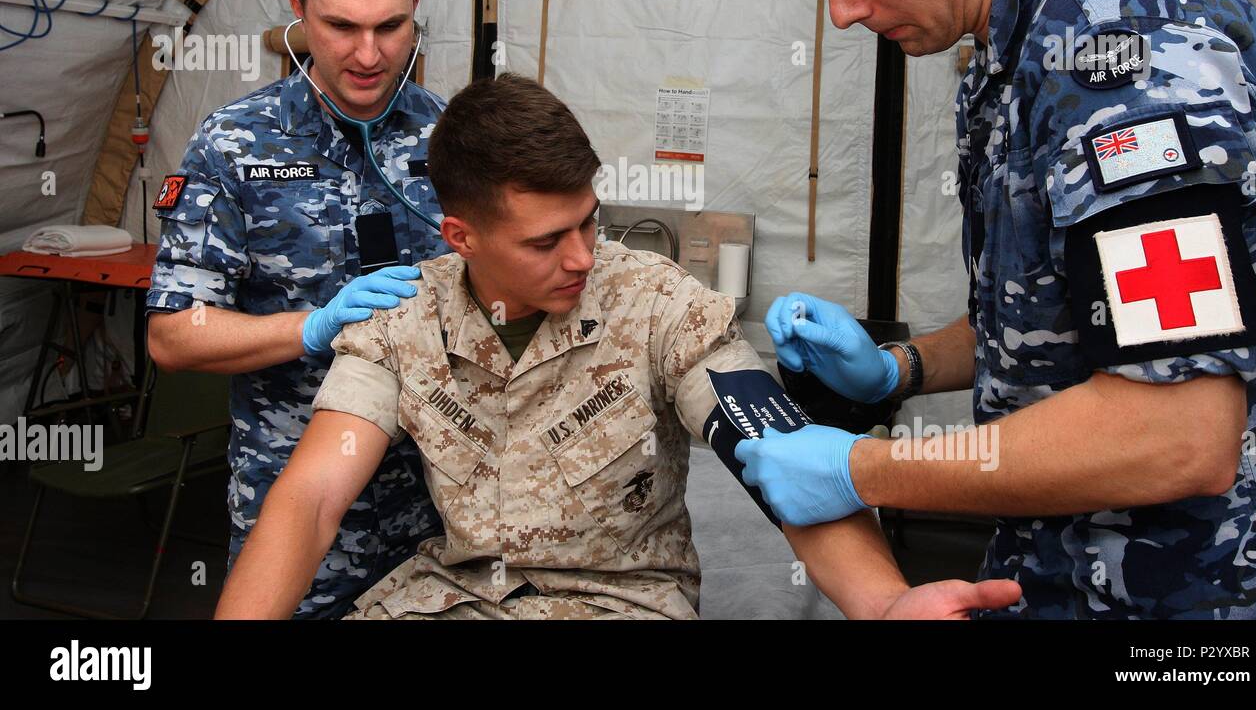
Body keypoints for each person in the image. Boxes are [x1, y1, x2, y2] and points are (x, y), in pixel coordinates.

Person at [736, 0, 1256, 619]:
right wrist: (896, 369)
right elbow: (1066, 312)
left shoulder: (1121, 43)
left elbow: (1180, 430)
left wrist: (862, 468)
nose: (842, 11)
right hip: (1057, 570)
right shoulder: (1008, 55)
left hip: (1188, 598)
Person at [213, 74, 1022, 619]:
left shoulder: (655, 302)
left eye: (588, 221)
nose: (582, 257)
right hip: (449, 599)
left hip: (617, 602)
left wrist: (884, 606)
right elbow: (311, 498)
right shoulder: (402, 320)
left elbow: (776, 457)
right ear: (461, 235)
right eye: (545, 240)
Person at [147, 0, 450, 618]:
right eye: (342, 26)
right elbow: (171, 335)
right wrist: (311, 326)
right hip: (295, 518)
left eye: (390, 27)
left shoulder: (452, 139)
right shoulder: (234, 145)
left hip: (432, 518)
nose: (369, 54)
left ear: (416, 9)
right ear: (298, 11)